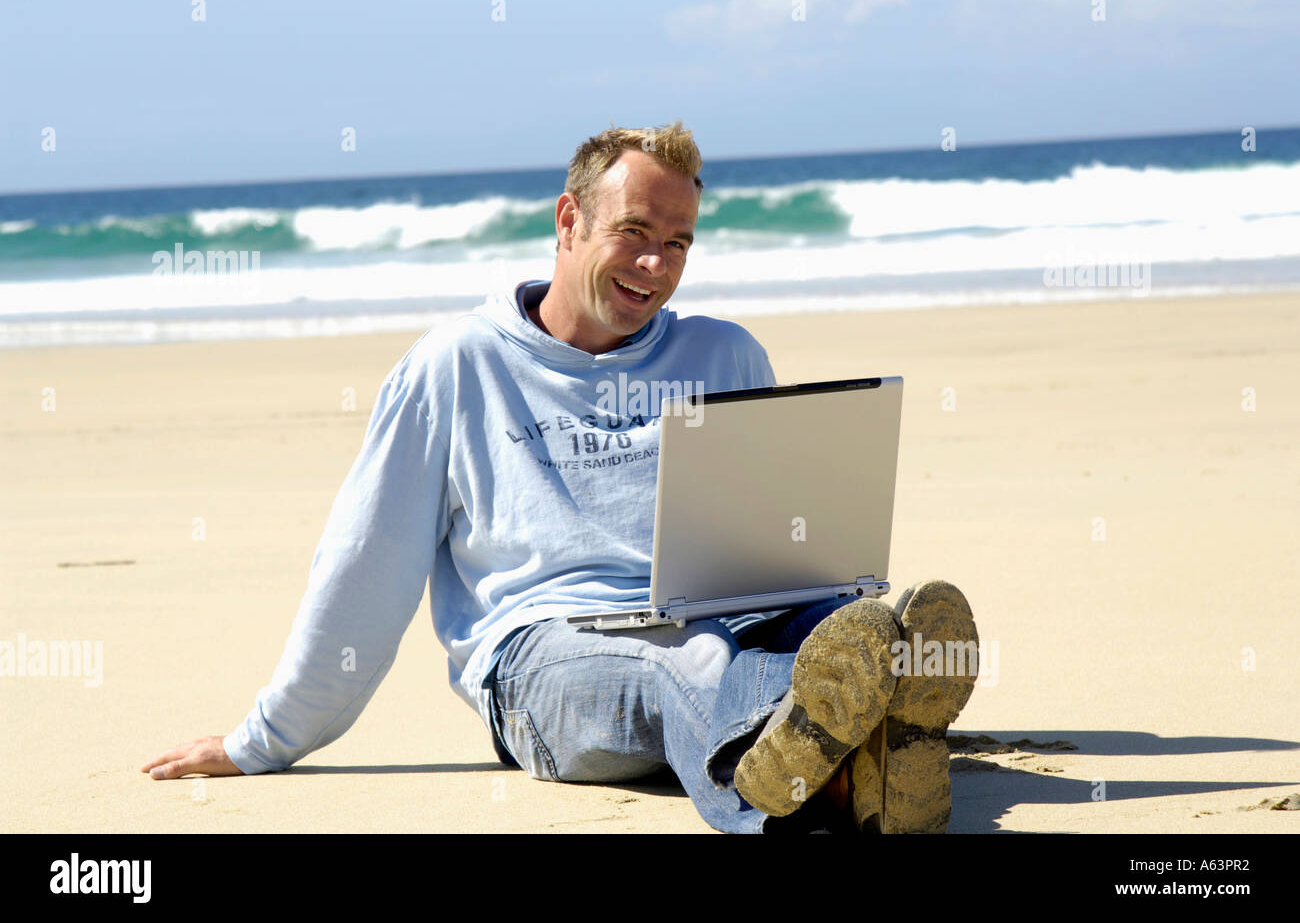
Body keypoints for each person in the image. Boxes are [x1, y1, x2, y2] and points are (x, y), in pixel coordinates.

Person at [141, 121, 978, 833]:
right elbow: (365, 567)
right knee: (683, 664)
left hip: (727, 612)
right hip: (547, 655)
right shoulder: (455, 366)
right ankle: (825, 769)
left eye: (678, 243)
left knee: (844, 618)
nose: (655, 265)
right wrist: (264, 738)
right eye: (636, 233)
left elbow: (778, 535)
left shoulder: (724, 353)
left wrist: (828, 594)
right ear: (570, 219)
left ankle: (863, 715)